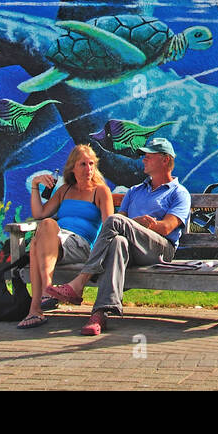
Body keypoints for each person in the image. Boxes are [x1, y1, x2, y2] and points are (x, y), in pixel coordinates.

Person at [66, 136, 191, 336]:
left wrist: (136, 225)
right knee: (117, 241)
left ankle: (80, 282)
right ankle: (100, 313)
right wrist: (135, 224)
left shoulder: (179, 193)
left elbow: (167, 228)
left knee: (116, 223)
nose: (144, 159)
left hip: (159, 250)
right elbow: (119, 223)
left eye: (149, 155)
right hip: (131, 249)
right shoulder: (135, 191)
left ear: (165, 160)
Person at [17, 144, 113, 329]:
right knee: (41, 235)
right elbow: (40, 213)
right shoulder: (65, 190)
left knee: (42, 235)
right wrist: (36, 185)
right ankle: (42, 302)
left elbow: (109, 225)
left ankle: (39, 303)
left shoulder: (100, 191)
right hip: (57, 243)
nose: (89, 169)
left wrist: (100, 256)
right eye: (83, 164)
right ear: (73, 168)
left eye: (91, 164)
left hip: (81, 245)